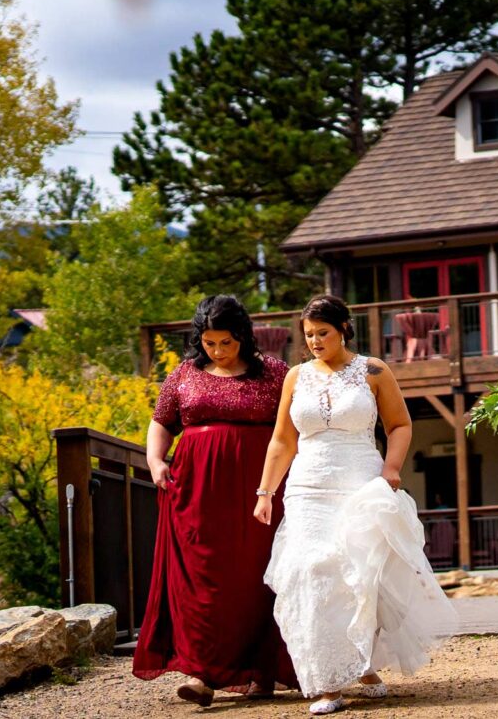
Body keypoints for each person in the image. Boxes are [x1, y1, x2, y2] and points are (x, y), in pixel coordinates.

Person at [254, 294, 456, 715]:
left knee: (360, 576)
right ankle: (327, 683)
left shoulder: (375, 370)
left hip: (360, 481)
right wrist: (265, 491)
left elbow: (399, 425)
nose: (314, 341)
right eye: (308, 335)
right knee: (312, 572)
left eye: (322, 333)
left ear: (344, 328)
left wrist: (392, 468)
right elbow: (282, 440)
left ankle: (363, 663)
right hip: (307, 486)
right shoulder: (295, 377)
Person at [132, 294, 296, 705]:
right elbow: (161, 423)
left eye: (226, 342)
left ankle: (263, 669)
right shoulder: (184, 374)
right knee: (203, 580)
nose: (218, 351)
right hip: (197, 492)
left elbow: (300, 423)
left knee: (260, 577)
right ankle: (202, 674)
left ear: (243, 335)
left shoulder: (276, 373)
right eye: (210, 344)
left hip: (262, 489)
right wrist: (155, 461)